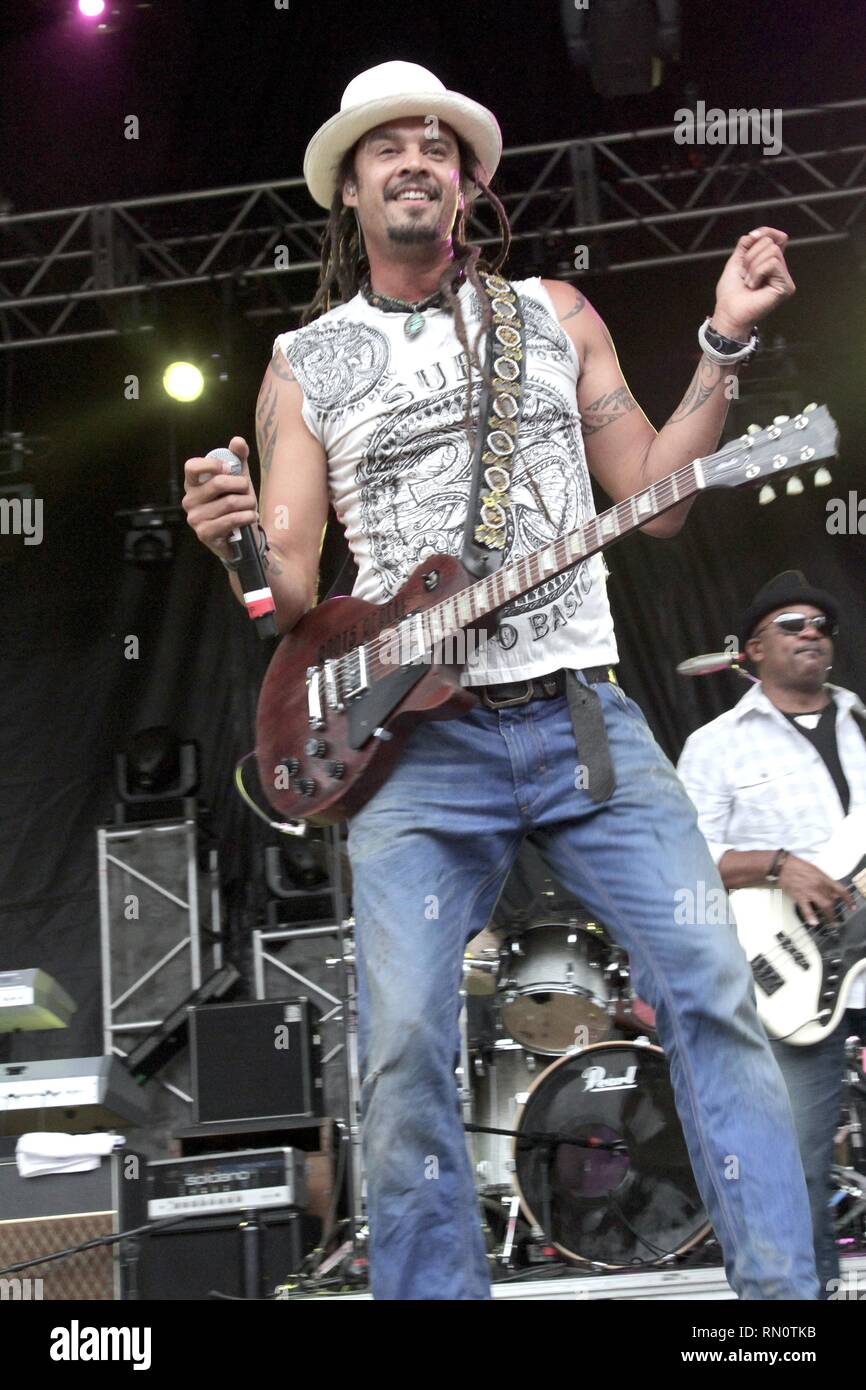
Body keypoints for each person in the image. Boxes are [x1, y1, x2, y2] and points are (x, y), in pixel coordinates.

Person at [182, 60, 817, 1299]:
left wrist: (722, 341)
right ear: (351, 192)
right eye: (385, 149)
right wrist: (237, 545)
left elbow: (657, 503)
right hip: (419, 751)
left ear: (467, 183)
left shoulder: (552, 313)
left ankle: (782, 1310)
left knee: (710, 996)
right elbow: (291, 598)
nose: (413, 159)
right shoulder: (303, 365)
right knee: (405, 1045)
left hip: (585, 720)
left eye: (436, 145)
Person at [678, 570, 866, 1297]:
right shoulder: (715, 745)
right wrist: (779, 864)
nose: (812, 630)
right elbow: (684, 861)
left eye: (820, 622)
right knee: (797, 1164)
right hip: (792, 976)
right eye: (791, 623)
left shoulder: (859, 719)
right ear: (752, 650)